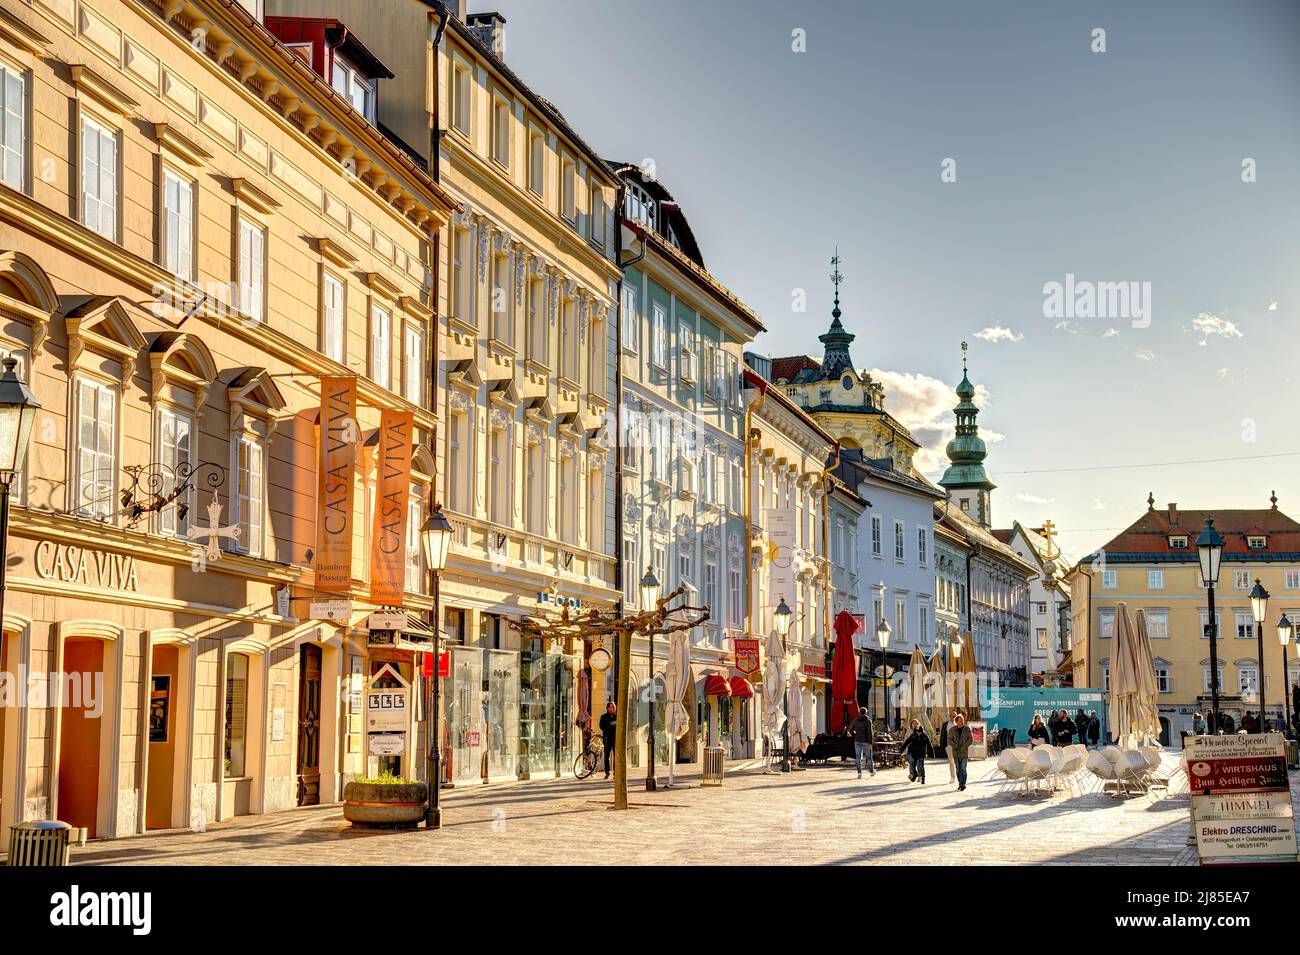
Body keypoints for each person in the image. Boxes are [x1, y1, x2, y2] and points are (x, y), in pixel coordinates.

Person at [949, 713, 974, 791]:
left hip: (964, 752)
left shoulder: (967, 729)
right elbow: (949, 740)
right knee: (958, 769)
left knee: (963, 768)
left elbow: (970, 740)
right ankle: (960, 782)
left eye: (962, 720)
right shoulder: (952, 730)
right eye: (960, 721)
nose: (961, 722)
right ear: (956, 722)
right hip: (956, 753)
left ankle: (962, 784)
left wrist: (964, 747)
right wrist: (955, 746)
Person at [849, 707, 875, 778]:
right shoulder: (868, 721)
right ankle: (871, 772)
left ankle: (859, 773)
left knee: (858, 758)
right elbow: (869, 733)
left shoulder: (855, 720)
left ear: (859, 712)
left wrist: (855, 735)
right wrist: (870, 743)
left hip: (857, 741)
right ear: (866, 712)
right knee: (869, 757)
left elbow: (850, 730)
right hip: (866, 742)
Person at [901, 718, 929, 784]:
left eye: (916, 723)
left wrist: (926, 752)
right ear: (911, 724)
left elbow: (925, 743)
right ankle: (912, 774)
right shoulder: (909, 732)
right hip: (910, 751)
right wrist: (903, 751)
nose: (915, 724)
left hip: (919, 752)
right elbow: (905, 741)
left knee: (919, 764)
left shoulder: (922, 732)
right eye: (913, 723)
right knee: (911, 763)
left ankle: (920, 775)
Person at [938, 709, 958, 783]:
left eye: (955, 716)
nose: (953, 717)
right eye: (952, 716)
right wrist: (942, 745)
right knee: (951, 761)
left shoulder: (959, 724)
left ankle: (959, 775)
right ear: (949, 716)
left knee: (958, 762)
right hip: (948, 745)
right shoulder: (945, 724)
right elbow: (942, 734)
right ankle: (953, 777)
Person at [599, 702, 617, 779]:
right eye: (611, 707)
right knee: (607, 756)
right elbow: (601, 726)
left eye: (614, 707)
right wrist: (610, 724)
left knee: (616, 756)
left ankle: (616, 772)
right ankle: (607, 772)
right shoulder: (603, 717)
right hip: (607, 739)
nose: (613, 708)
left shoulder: (618, 716)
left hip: (616, 739)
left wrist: (616, 722)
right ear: (608, 708)